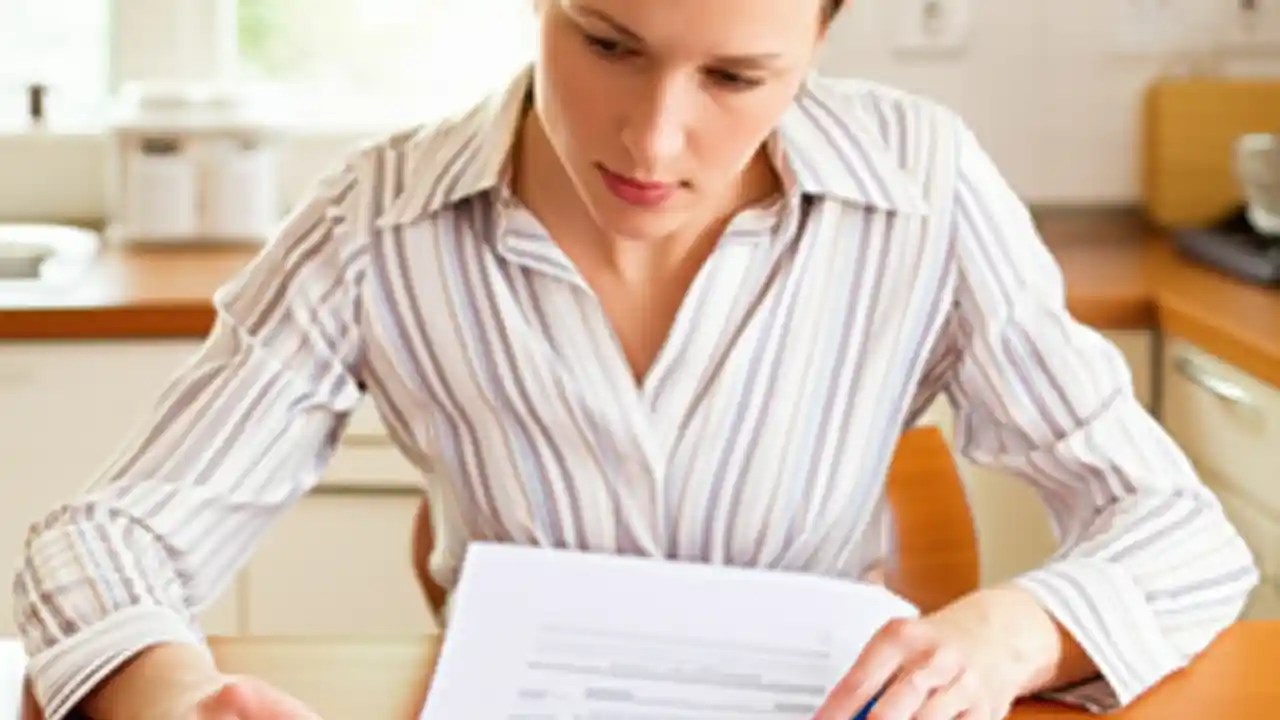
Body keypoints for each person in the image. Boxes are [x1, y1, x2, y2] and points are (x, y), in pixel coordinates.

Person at [11, 0, 1259, 718]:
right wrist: (170, 695)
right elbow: (102, 540)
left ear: (820, 41)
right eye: (604, 41)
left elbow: (1177, 534)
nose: (652, 138)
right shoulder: (376, 218)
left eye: (734, 75)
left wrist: (1016, 628)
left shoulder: (921, 186)